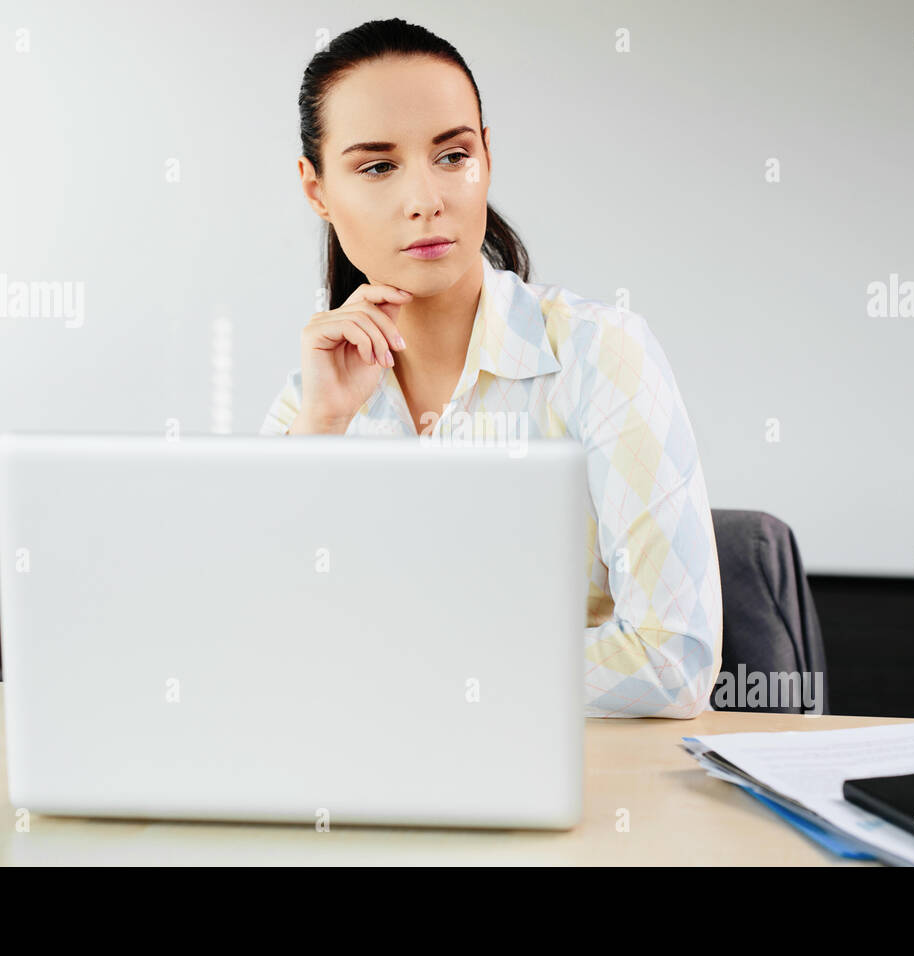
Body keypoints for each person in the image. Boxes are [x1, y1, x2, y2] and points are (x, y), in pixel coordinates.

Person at [260, 18, 723, 718]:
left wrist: (421, 675)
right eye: (378, 166)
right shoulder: (312, 399)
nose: (426, 199)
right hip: (369, 778)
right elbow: (258, 636)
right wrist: (323, 425)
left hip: (589, 785)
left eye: (452, 155)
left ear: (486, 159)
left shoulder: (599, 355)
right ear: (316, 188)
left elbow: (674, 658)